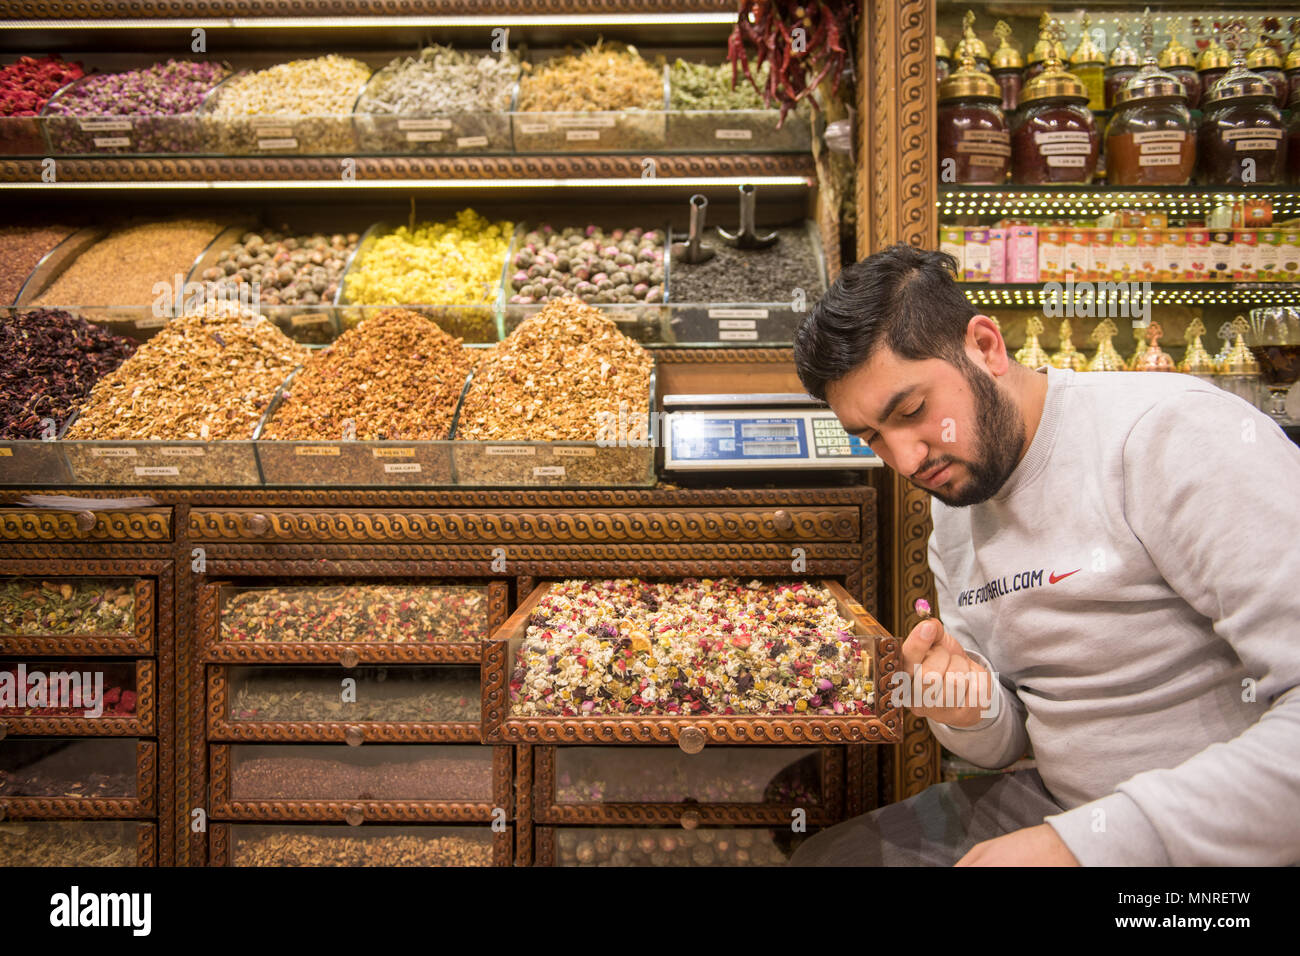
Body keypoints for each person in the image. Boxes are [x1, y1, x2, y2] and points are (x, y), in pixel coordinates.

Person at [786, 243, 1300, 866]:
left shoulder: (1174, 436)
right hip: (1060, 801)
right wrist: (965, 705)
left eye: (914, 411)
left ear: (986, 347)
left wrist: (1082, 848)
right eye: (872, 437)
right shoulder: (956, 510)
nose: (905, 461)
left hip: (1215, 832)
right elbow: (1005, 741)